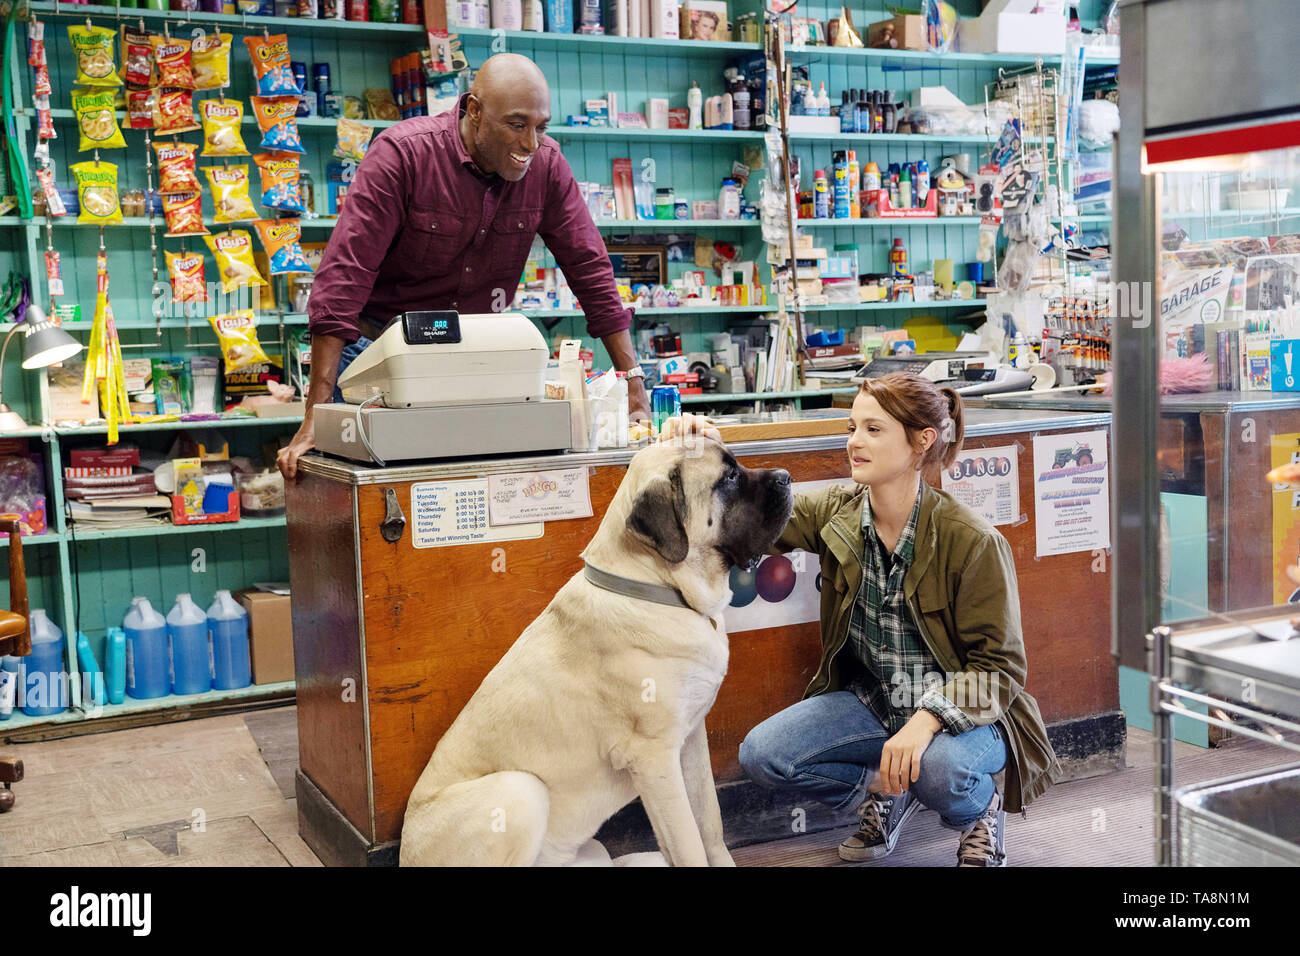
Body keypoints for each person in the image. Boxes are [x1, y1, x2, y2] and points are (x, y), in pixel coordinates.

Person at [665, 374, 1062, 866]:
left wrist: (928, 720)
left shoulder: (972, 540)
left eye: (874, 430)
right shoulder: (837, 513)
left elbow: (999, 671)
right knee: (764, 755)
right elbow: (754, 514)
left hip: (966, 718)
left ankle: (978, 812)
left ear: (922, 442)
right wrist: (704, 453)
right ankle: (888, 790)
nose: (854, 441)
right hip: (873, 702)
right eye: (853, 427)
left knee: (935, 769)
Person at [277, 53, 650, 479]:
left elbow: (589, 266)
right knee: (382, 496)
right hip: (374, 362)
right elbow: (345, 277)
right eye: (516, 124)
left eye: (540, 127)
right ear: (474, 110)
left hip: (472, 363)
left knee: (479, 495)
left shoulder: (546, 165)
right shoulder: (402, 155)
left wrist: (633, 382)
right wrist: (317, 413)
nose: (531, 143)